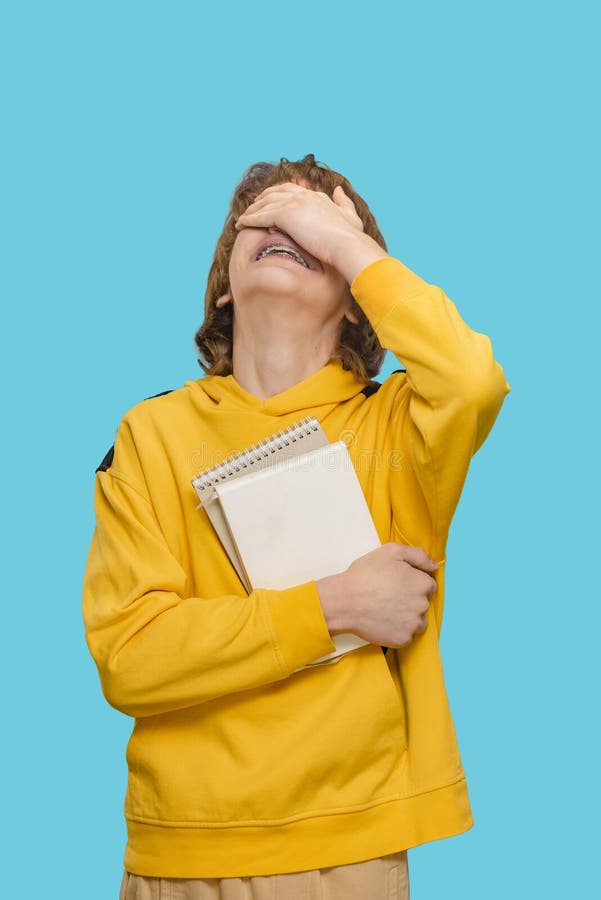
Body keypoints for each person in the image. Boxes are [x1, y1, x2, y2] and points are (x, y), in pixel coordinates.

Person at [82, 153, 510, 899]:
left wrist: (351, 246)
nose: (289, 224)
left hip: (349, 846)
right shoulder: (149, 433)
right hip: (180, 848)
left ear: (356, 302)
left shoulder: (397, 429)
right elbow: (130, 655)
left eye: (315, 225)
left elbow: (472, 378)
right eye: (267, 220)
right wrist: (332, 606)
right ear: (223, 287)